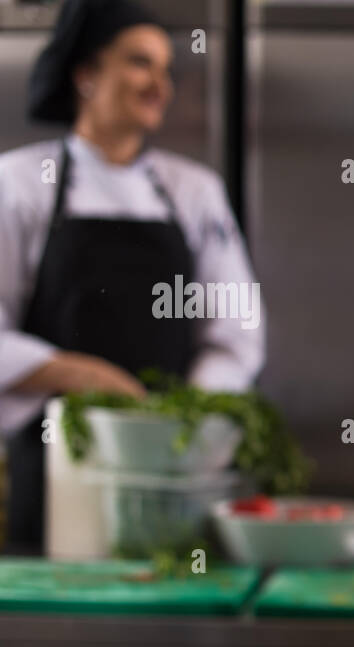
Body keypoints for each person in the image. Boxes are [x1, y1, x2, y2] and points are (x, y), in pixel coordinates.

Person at [0, 0, 264, 549]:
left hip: (173, 471)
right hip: (55, 464)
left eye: (165, 70)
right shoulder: (20, 183)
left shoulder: (194, 191)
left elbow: (235, 332)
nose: (159, 85)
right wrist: (82, 375)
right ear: (87, 76)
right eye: (139, 63)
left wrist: (182, 421)